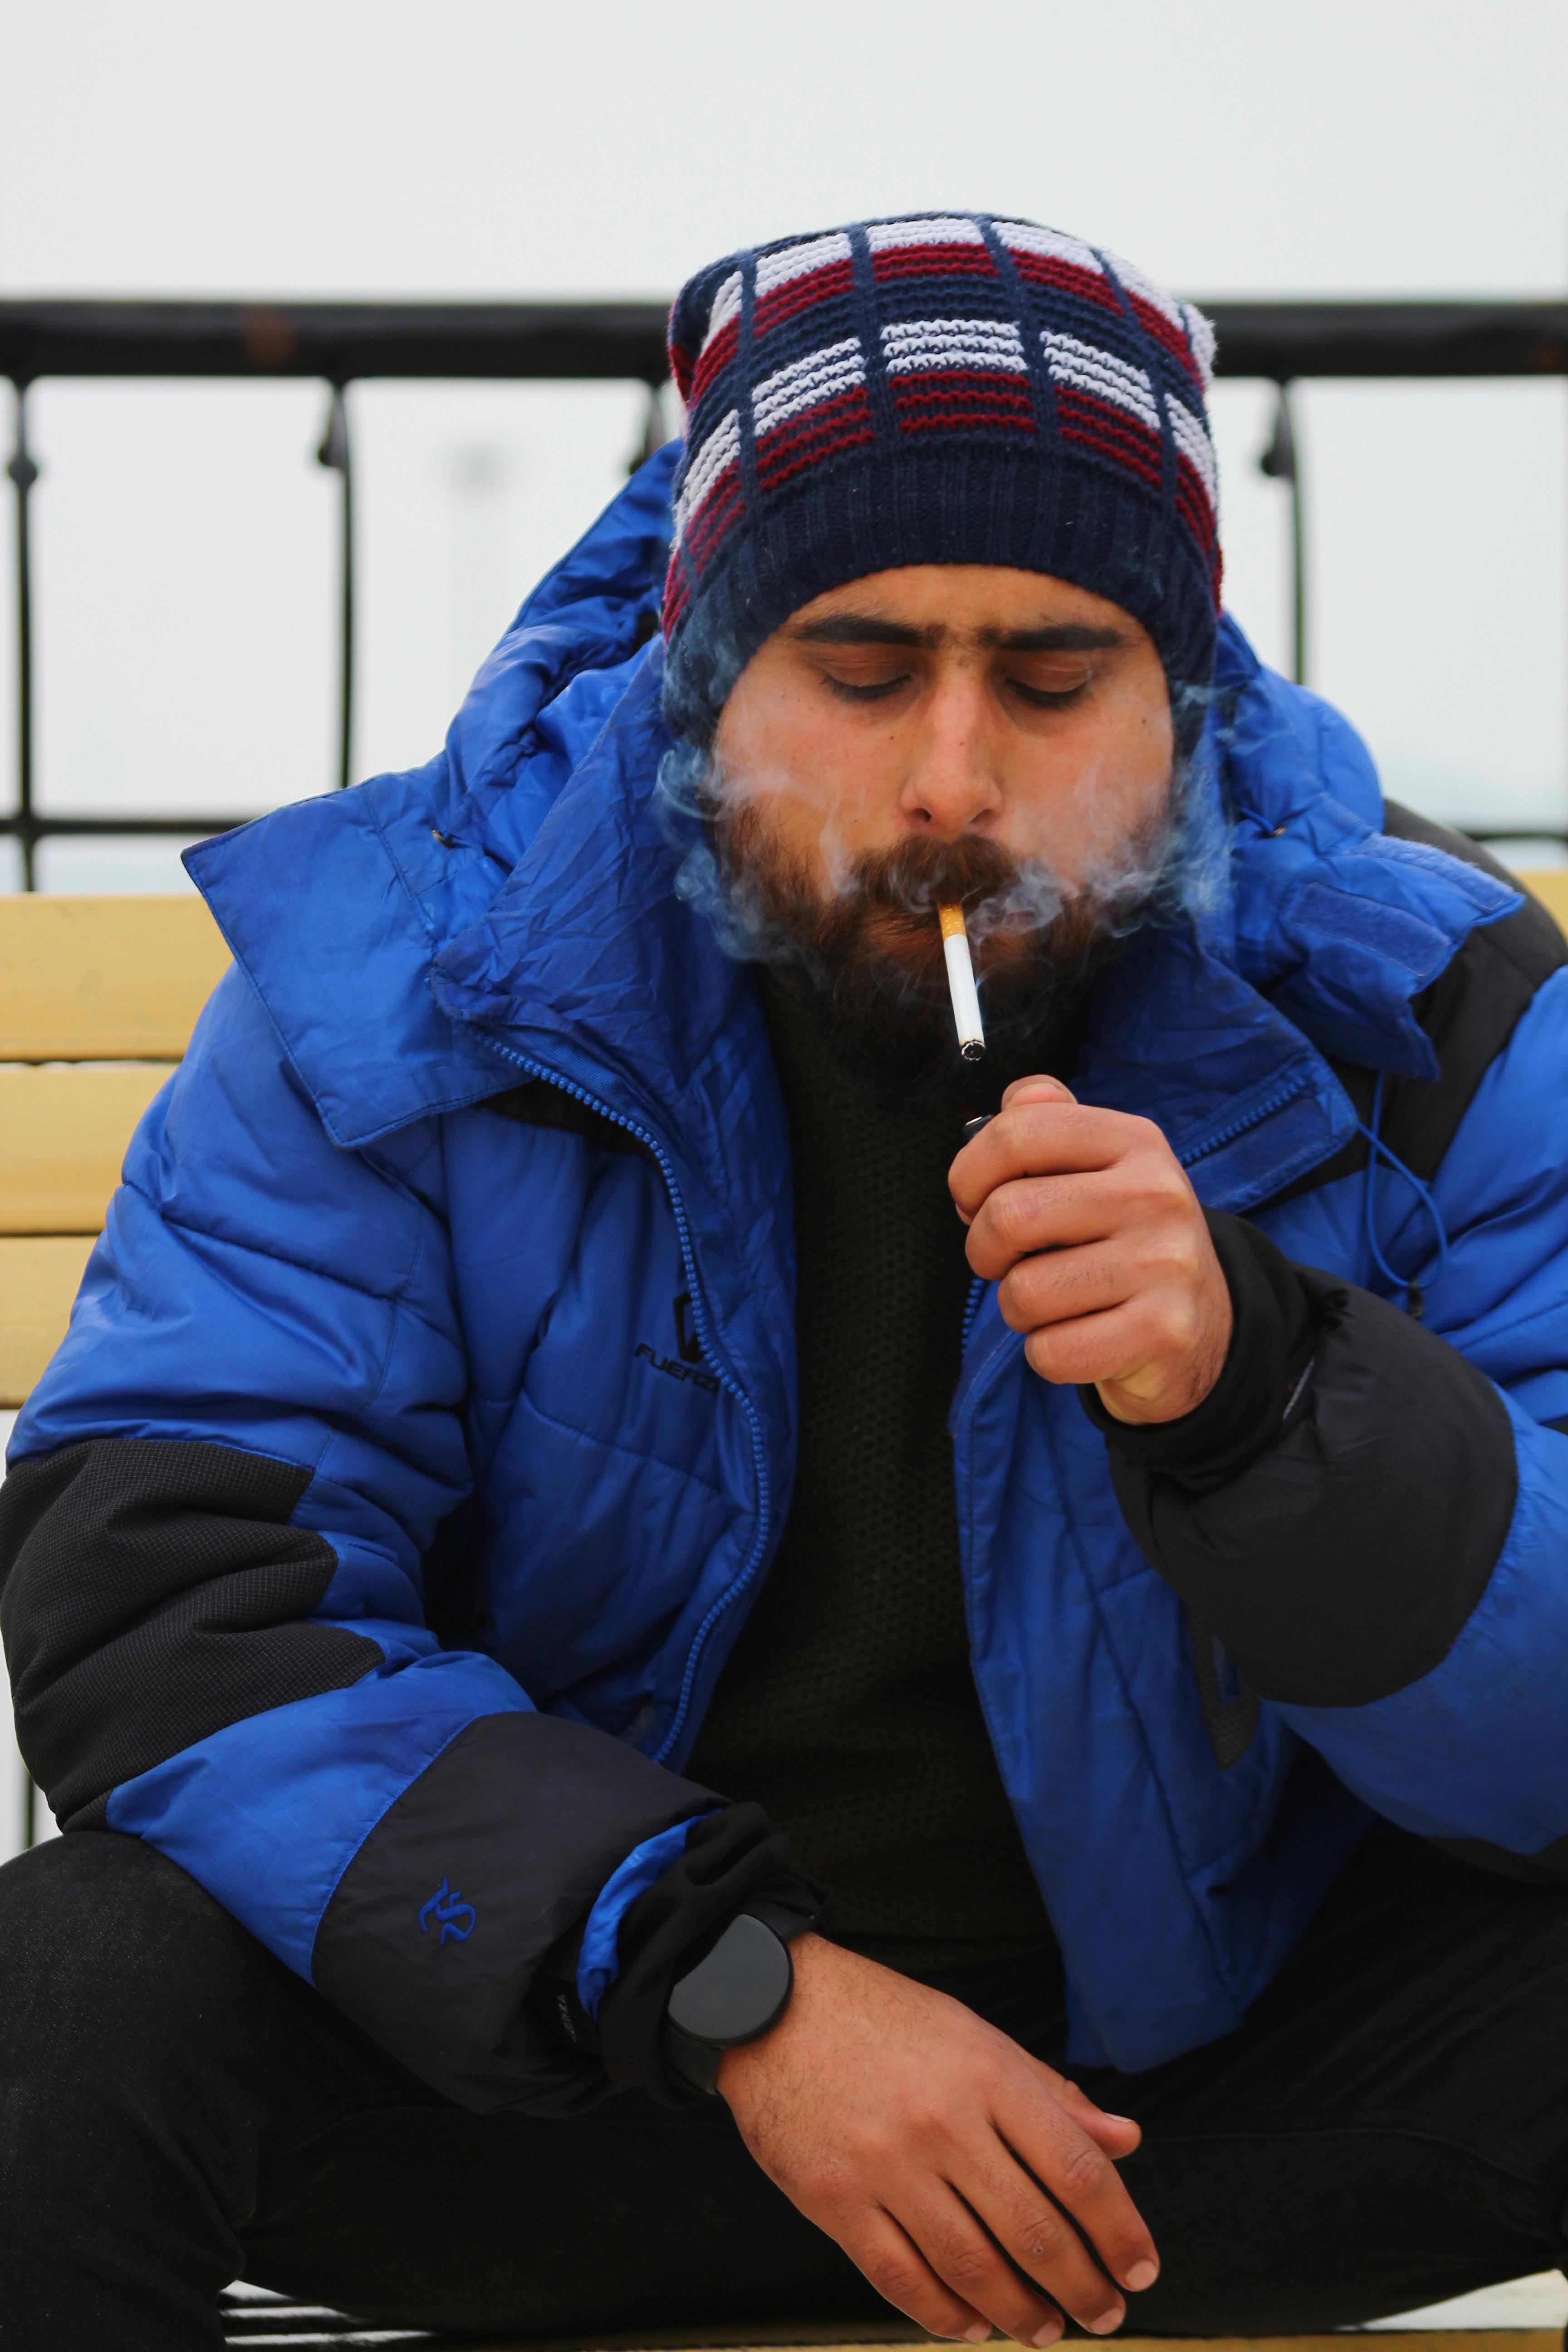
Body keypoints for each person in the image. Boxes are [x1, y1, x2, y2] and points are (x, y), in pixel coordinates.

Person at [3, 212, 1568, 2352]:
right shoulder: (410, 981)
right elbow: (178, 1603)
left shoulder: (1426, 1003)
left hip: (1181, 2123)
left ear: (1184, 702)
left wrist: (1275, 1406)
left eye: (1049, 678)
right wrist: (734, 1995)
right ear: (703, 668)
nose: (949, 778)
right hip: (578, 2061)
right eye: (856, 670)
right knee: (67, 1989)